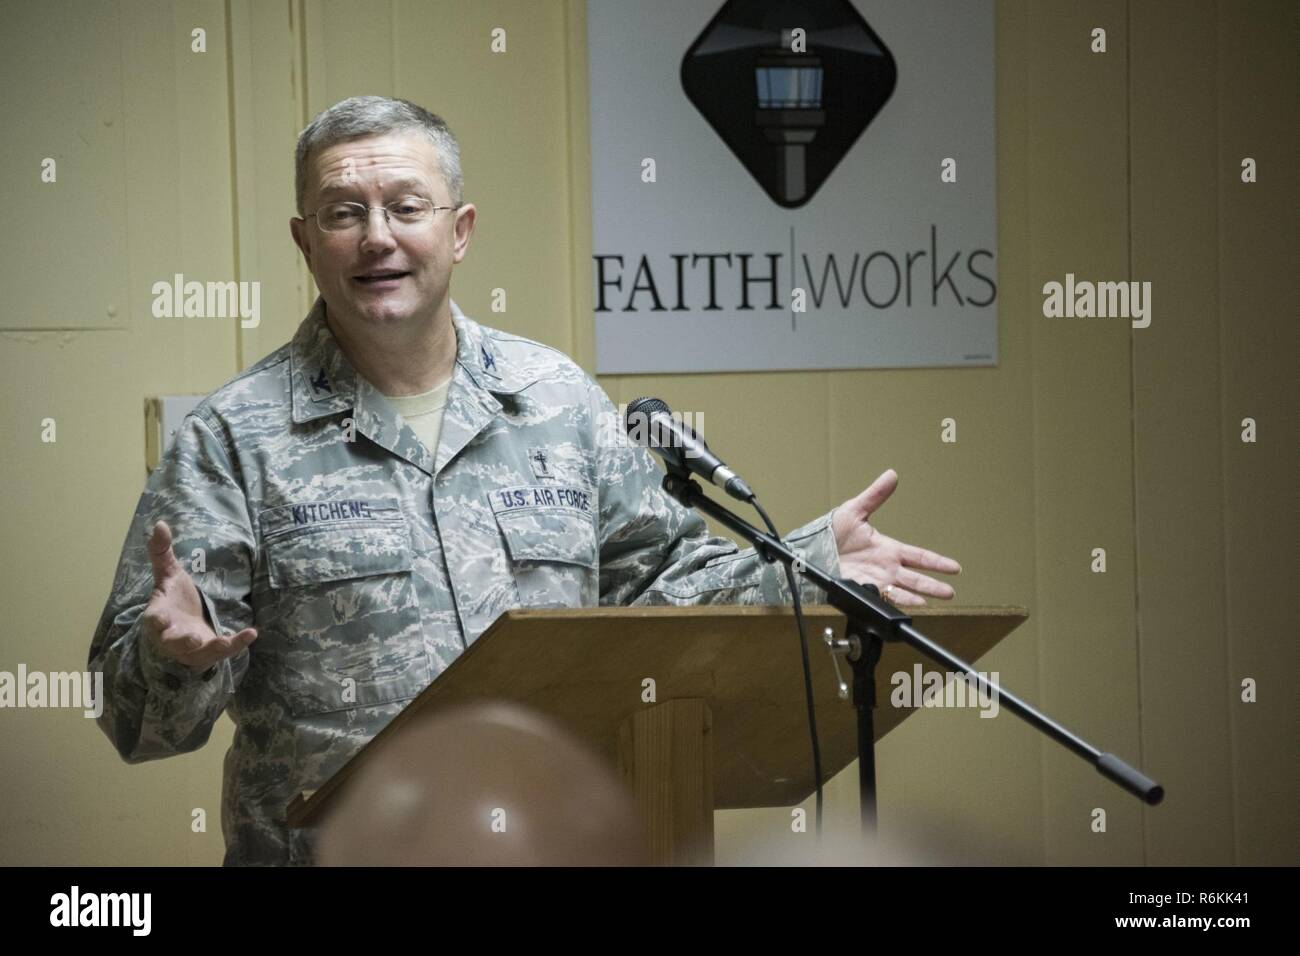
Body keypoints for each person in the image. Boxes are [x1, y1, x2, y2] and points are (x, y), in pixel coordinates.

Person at [88, 96, 961, 865]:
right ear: (305, 241)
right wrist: (168, 659)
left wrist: (806, 561)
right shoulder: (233, 438)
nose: (377, 236)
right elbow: (136, 725)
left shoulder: (556, 401)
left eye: (406, 207)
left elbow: (662, 589)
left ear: (460, 231)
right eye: (344, 212)